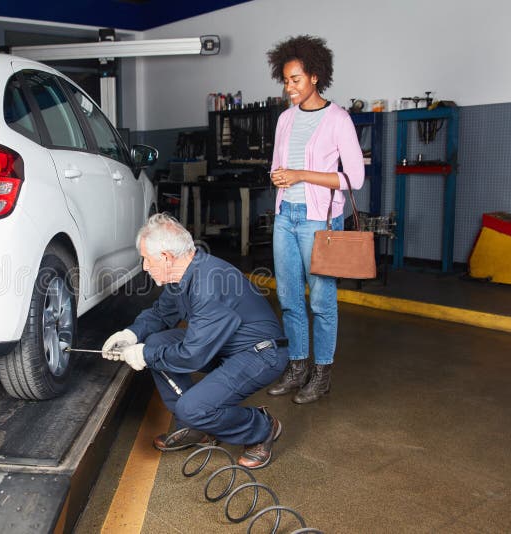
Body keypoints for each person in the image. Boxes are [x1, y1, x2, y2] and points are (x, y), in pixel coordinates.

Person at [102, 213, 288, 469]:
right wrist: (130, 335)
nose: (144, 266)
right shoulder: (184, 274)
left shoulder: (208, 283)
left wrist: (145, 355)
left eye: (146, 258)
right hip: (225, 346)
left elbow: (193, 355)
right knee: (156, 342)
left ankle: (261, 428)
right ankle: (194, 428)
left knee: (191, 406)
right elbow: (160, 313)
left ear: (166, 257)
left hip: (260, 355)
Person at [264, 35, 364, 404]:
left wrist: (301, 175)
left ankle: (321, 374)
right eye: (286, 80)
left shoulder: (338, 119)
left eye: (296, 80)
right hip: (285, 216)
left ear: (315, 77)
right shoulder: (285, 119)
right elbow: (278, 165)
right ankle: (297, 366)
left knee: (321, 300)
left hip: (318, 220)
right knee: (289, 298)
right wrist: (279, 175)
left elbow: (354, 178)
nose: (289, 87)